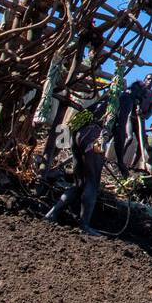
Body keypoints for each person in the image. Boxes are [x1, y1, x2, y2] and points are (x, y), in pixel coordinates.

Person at [46, 93, 109, 235]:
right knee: (92, 183)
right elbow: (122, 134)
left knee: (79, 184)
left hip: (79, 136)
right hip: (95, 138)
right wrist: (122, 164)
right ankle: (84, 225)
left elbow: (79, 119)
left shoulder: (102, 101)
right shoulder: (122, 101)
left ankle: (52, 213)